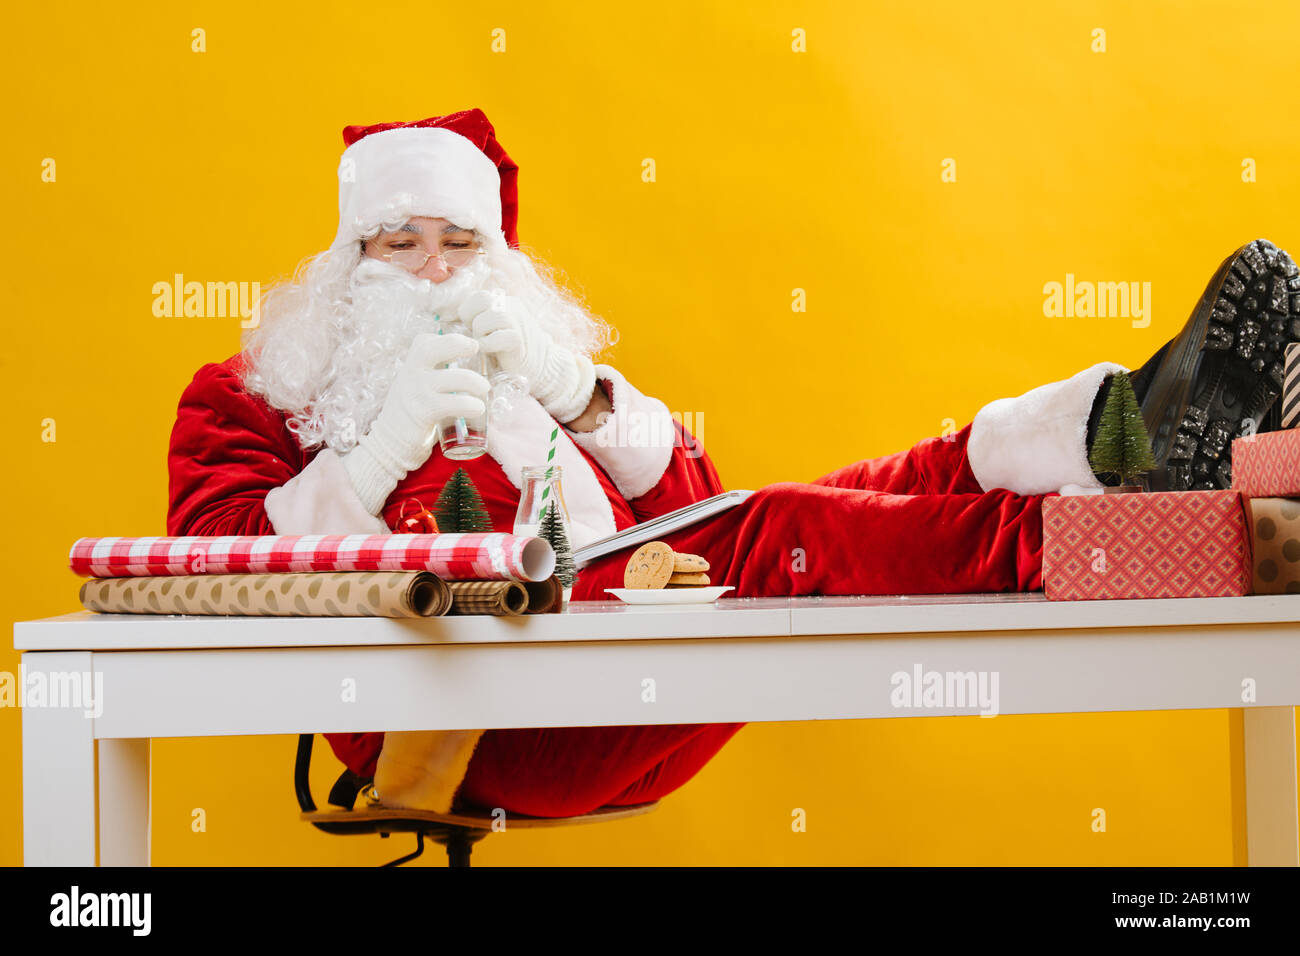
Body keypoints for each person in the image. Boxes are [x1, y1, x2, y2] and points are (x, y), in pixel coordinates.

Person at [166, 108, 1299, 818]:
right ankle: (1135, 516)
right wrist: (373, 455)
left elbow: (694, 515)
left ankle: (1131, 425)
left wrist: (584, 397)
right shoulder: (252, 392)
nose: (433, 270)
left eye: (463, 243)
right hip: (464, 719)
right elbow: (210, 578)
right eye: (398, 241)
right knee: (773, 542)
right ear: (345, 256)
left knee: (850, 498)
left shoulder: (523, 372)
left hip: (619, 650)